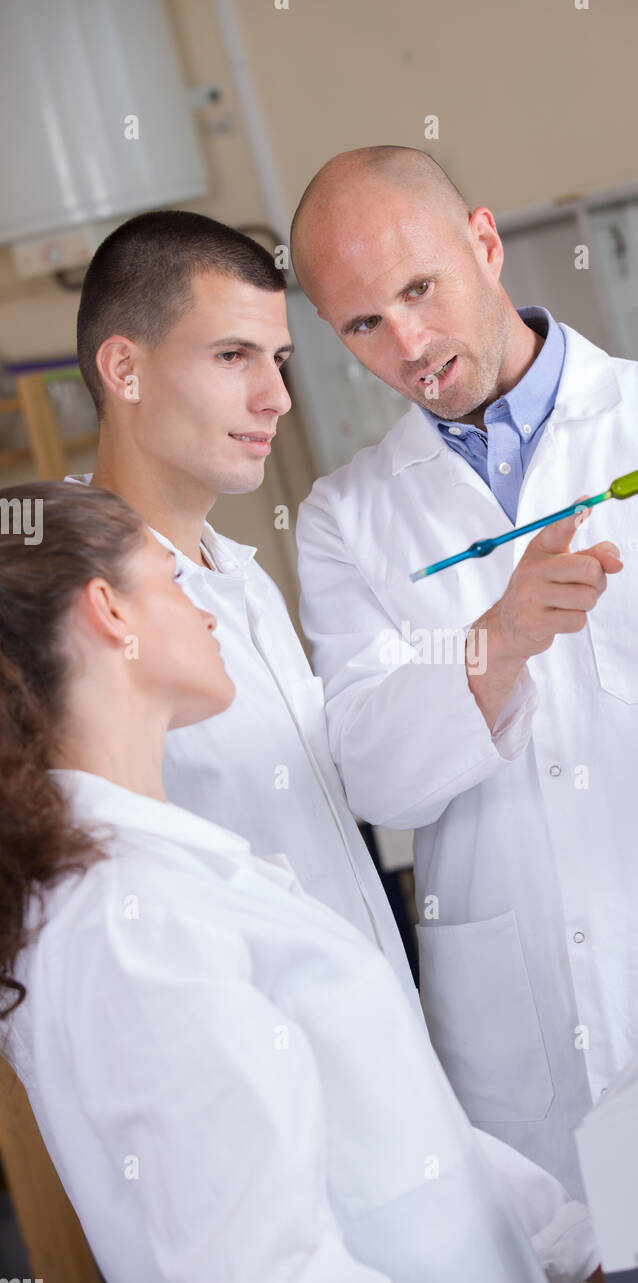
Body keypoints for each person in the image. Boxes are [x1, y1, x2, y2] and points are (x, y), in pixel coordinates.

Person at [291, 145, 638, 1199]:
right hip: (521, 1067)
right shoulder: (345, 518)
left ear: (482, 244)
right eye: (360, 324)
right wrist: (498, 641)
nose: (407, 344)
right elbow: (372, 779)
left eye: (419, 289)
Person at [0, 483, 601, 1283]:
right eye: (174, 583)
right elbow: (262, 1280)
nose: (208, 614)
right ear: (109, 610)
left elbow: (398, 1136)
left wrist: (572, 1248)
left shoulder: (178, 874)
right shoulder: (129, 922)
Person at [69, 209, 417, 1009]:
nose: (277, 399)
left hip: (368, 1052)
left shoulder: (244, 582)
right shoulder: (74, 610)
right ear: (124, 369)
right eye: (234, 357)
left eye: (281, 360)